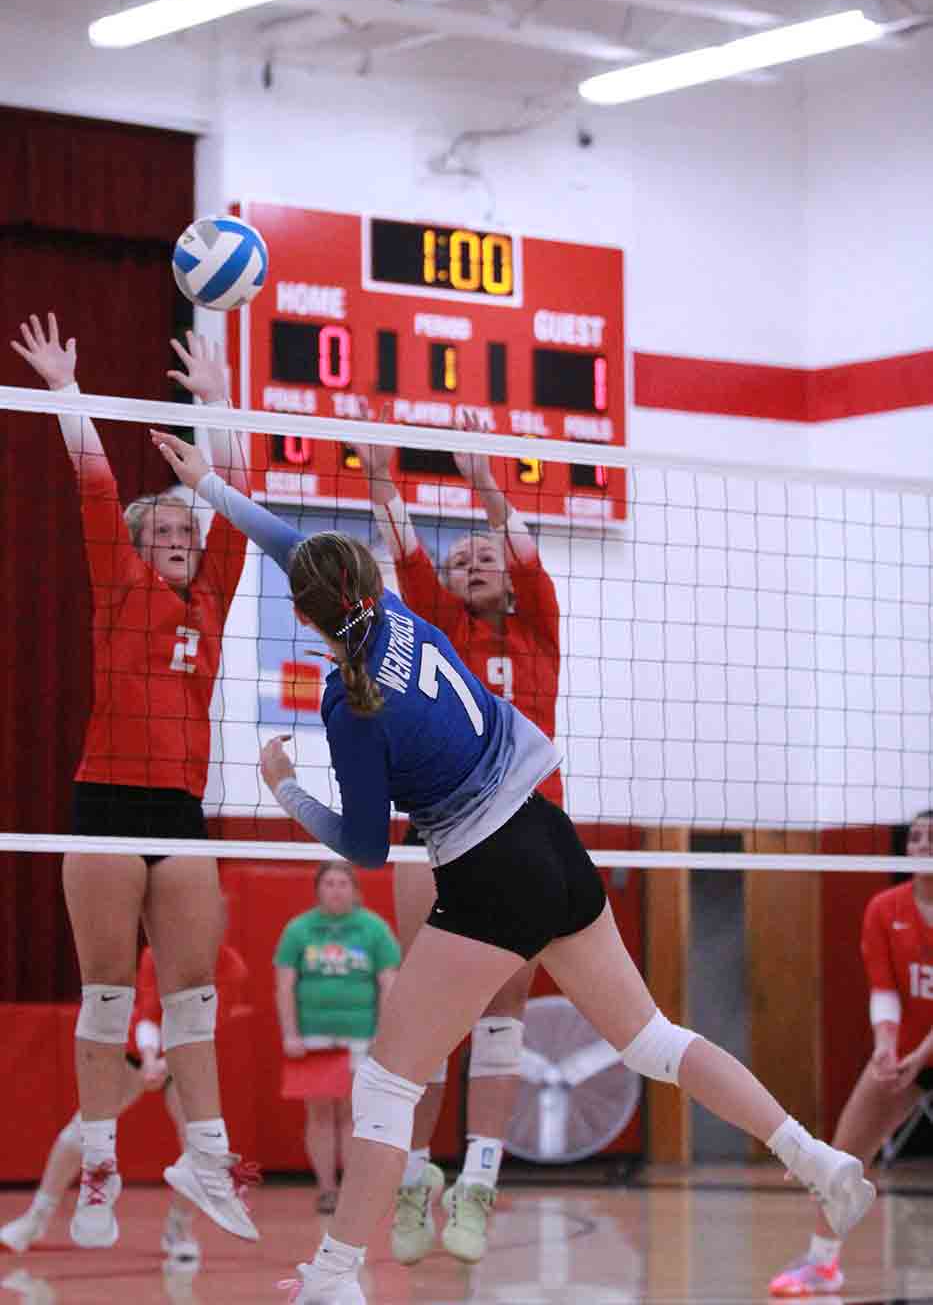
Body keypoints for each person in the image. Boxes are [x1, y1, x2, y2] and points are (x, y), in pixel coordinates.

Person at [151, 428, 876, 1305]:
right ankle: (813, 1155)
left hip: (487, 874)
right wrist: (216, 492)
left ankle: (334, 1280)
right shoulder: (404, 619)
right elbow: (298, 551)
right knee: (651, 1041)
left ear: (304, 619)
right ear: (369, 587)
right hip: (553, 837)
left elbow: (369, 847)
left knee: (384, 1081)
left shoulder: (349, 705)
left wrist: (284, 791)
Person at [10, 315, 257, 1249]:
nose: (182, 533)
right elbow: (95, 486)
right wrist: (69, 396)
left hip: (180, 810)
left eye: (186, 525)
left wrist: (215, 398)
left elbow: (233, 498)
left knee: (190, 992)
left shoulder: (215, 594)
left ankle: (205, 1150)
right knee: (110, 992)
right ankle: (102, 1162)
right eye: (164, 527)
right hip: (107, 800)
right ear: (137, 544)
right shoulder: (120, 584)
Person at [353, 412, 561, 1263]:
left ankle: (477, 1180)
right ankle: (414, 1176)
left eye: (484, 558)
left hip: (523, 830)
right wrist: (377, 473)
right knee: (421, 1006)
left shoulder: (538, 626)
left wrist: (482, 477)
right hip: (438, 827)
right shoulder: (436, 631)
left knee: (503, 1011)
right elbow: (400, 551)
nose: (472, 563)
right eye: (458, 558)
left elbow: (521, 548)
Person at [0, 939, 249, 1263]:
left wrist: (166, 1064)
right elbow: (147, 1009)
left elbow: (206, 1028)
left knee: (200, 1147)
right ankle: (35, 1220)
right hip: (140, 1052)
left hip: (188, 1058)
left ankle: (178, 1229)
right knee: (84, 1127)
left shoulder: (230, 967)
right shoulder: (155, 954)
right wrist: (148, 1059)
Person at [769, 810, 933, 1297]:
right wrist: (885, 1047)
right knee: (842, 1155)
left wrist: (921, 1055)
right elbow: (883, 988)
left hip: (922, 1051)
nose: (923, 844)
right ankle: (822, 1265)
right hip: (904, 1050)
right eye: (917, 837)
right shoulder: (885, 907)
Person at [275, 862, 400, 1215]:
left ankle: (351, 1189)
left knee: (352, 1112)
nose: (336, 889)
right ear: (318, 889)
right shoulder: (299, 930)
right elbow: (284, 985)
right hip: (314, 1037)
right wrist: (290, 1033)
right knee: (318, 1113)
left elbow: (388, 984)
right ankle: (327, 1189)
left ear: (356, 889)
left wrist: (385, 1035)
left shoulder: (374, 929)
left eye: (343, 882)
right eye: (329, 883)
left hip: (360, 1037)